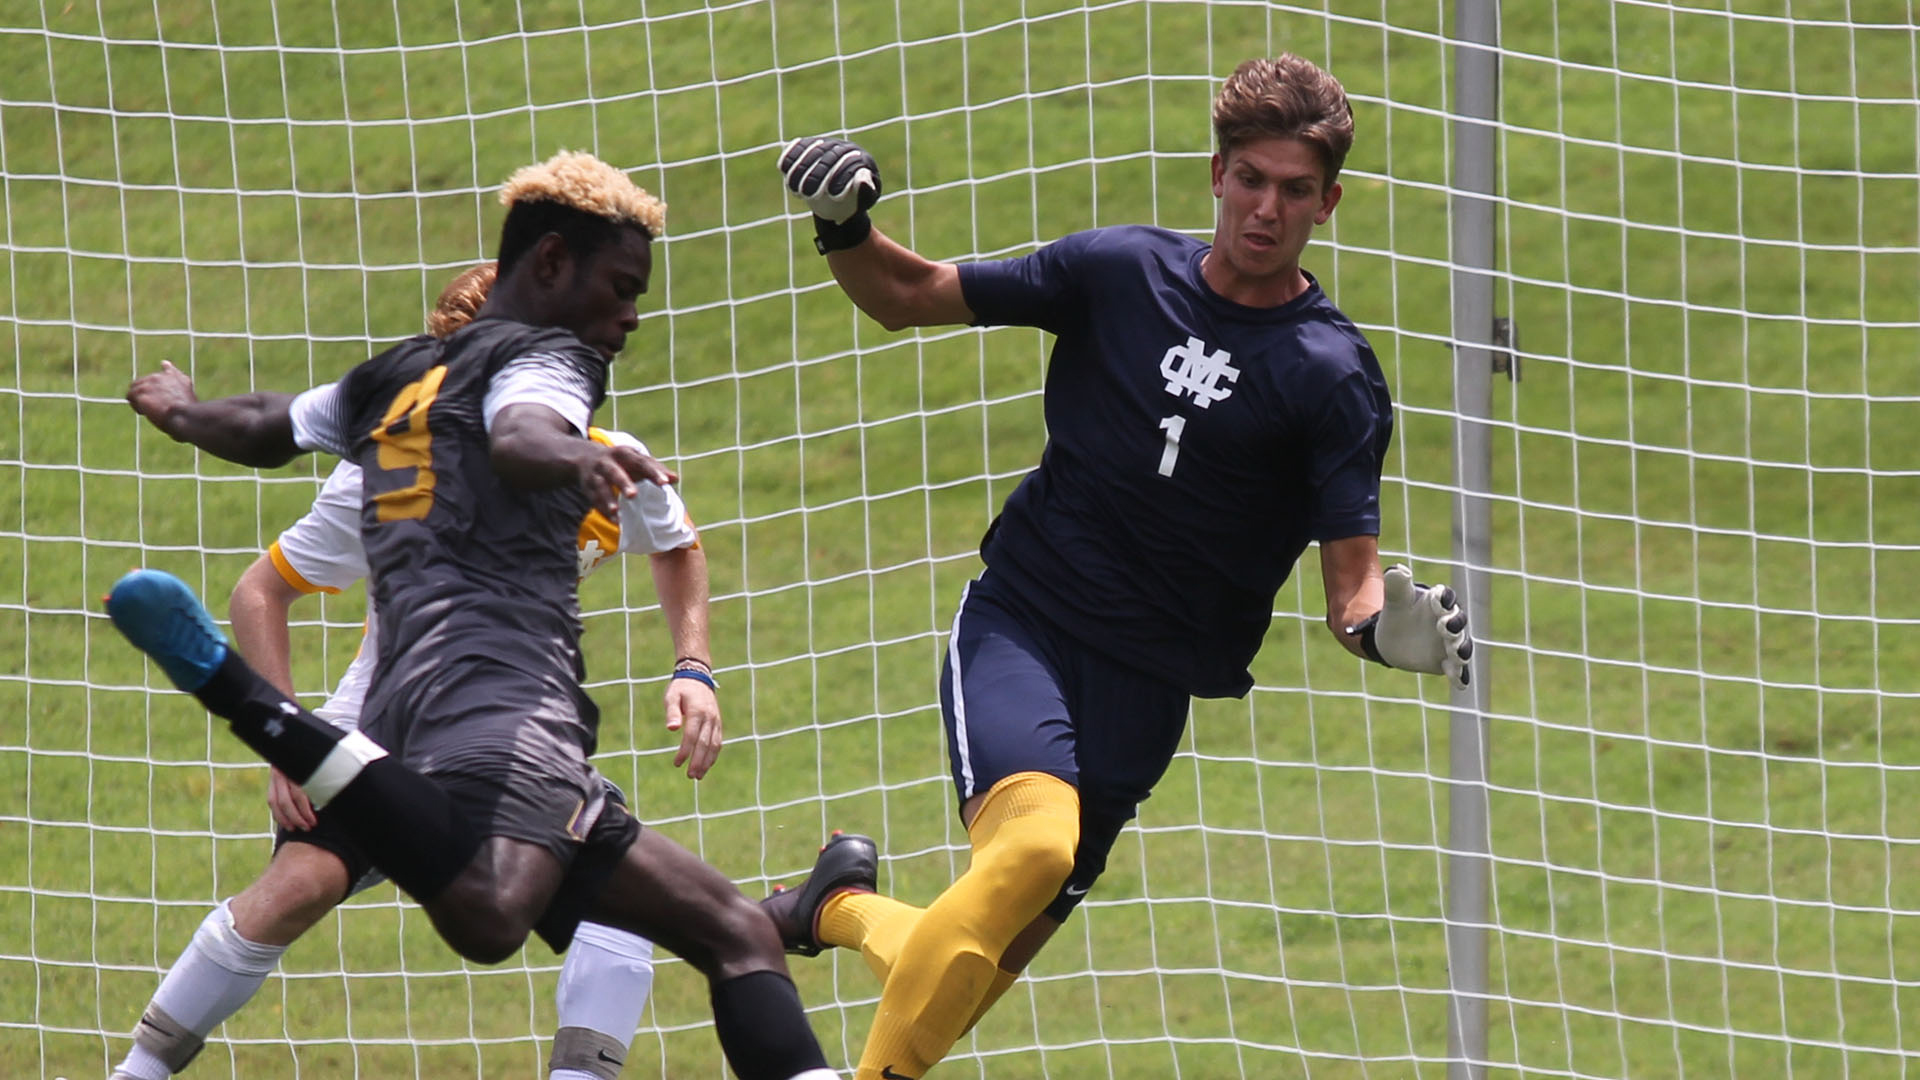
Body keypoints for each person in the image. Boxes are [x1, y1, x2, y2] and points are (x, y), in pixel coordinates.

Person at [766, 54, 1474, 1080]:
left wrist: (1380, 633)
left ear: (1330, 201)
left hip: (1147, 699)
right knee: (1035, 852)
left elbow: (1350, 588)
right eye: (1251, 179)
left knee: (968, 976)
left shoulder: (1332, 378)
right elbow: (907, 296)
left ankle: (831, 903)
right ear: (1216, 175)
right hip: (1026, 626)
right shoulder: (1117, 270)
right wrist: (844, 227)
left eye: (1294, 189)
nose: (1267, 208)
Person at [108, 151, 836, 1080]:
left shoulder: (392, 383)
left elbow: (265, 422)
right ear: (549, 264)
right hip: (510, 713)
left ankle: (298, 741)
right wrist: (573, 462)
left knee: (729, 929)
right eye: (620, 286)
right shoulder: (550, 360)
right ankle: (253, 704)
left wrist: (182, 413)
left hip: (414, 714)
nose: (632, 314)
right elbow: (521, 430)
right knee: (495, 913)